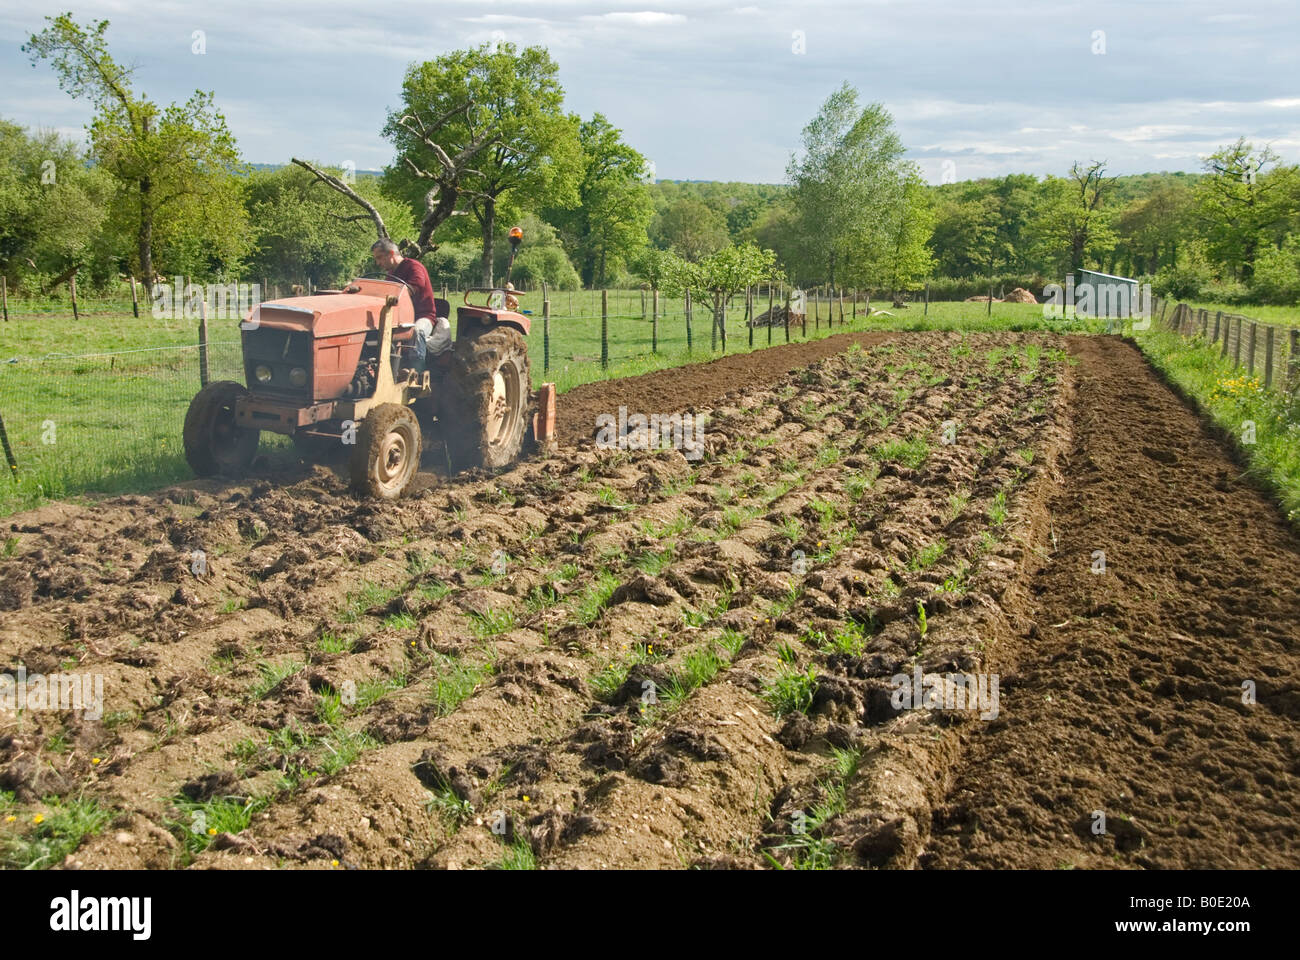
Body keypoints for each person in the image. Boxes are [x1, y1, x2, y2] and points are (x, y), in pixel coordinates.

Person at [369, 239, 450, 368]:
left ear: (391, 253)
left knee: (417, 331)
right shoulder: (390, 274)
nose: (378, 263)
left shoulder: (414, 266)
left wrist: (395, 295)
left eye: (379, 258)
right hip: (400, 318)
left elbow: (415, 285)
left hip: (423, 316)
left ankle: (417, 373)